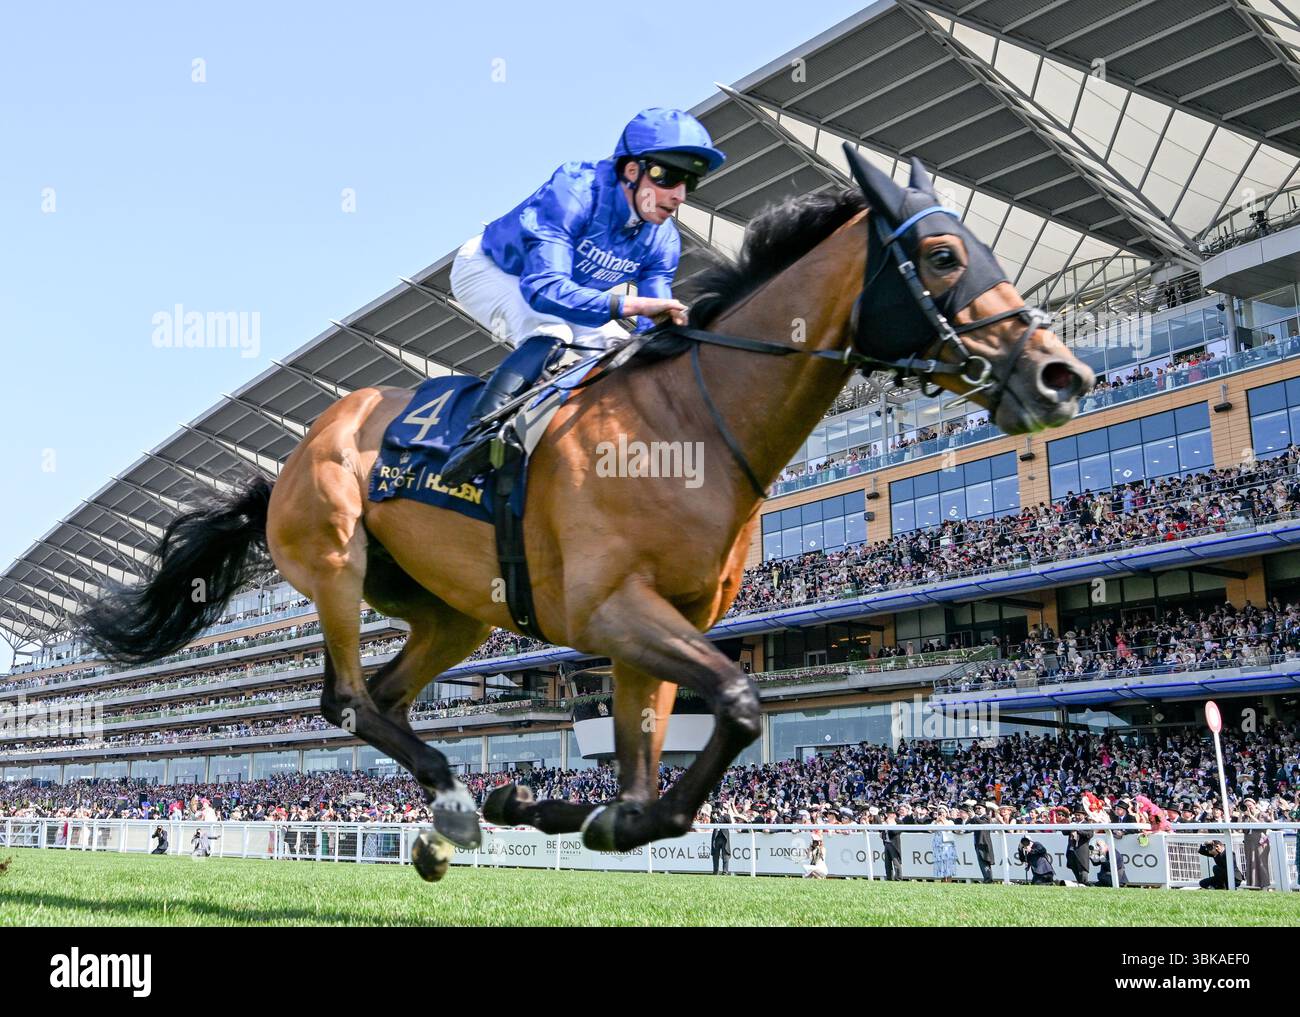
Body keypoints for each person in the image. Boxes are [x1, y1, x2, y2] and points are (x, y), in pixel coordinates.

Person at [438, 107, 726, 485]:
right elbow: (542, 289)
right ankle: (475, 440)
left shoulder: (663, 239)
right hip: (492, 270)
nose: (678, 196)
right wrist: (633, 304)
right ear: (631, 170)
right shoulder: (574, 191)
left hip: (566, 295)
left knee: (621, 354)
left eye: (690, 182)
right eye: (667, 176)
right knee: (552, 332)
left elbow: (646, 330)